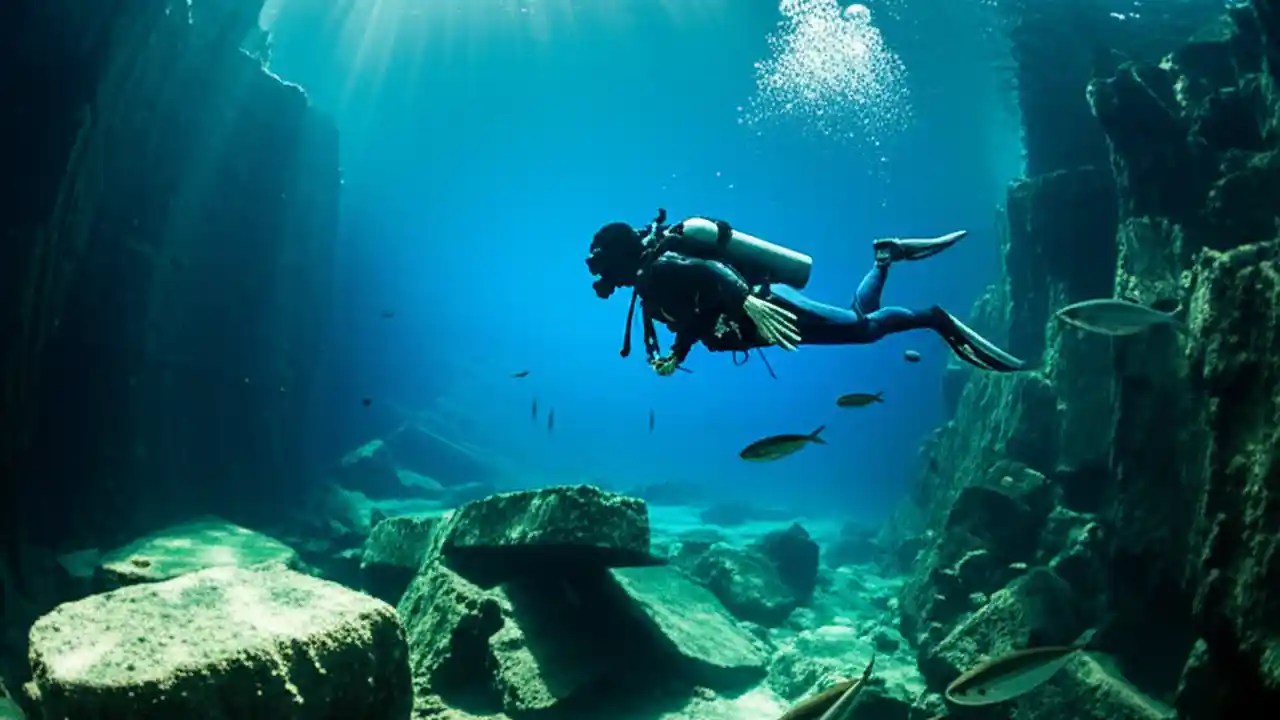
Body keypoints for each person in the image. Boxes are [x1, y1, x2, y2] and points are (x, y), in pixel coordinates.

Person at [584, 210, 1025, 376]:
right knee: (858, 324)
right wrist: (678, 354)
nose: (603, 280)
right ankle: (884, 258)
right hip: (765, 323)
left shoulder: (659, 268)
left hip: (772, 308)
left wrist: (748, 300)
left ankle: (934, 318)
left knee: (864, 330)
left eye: (602, 267)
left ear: (620, 258)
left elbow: (709, 269)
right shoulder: (649, 286)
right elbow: (699, 311)